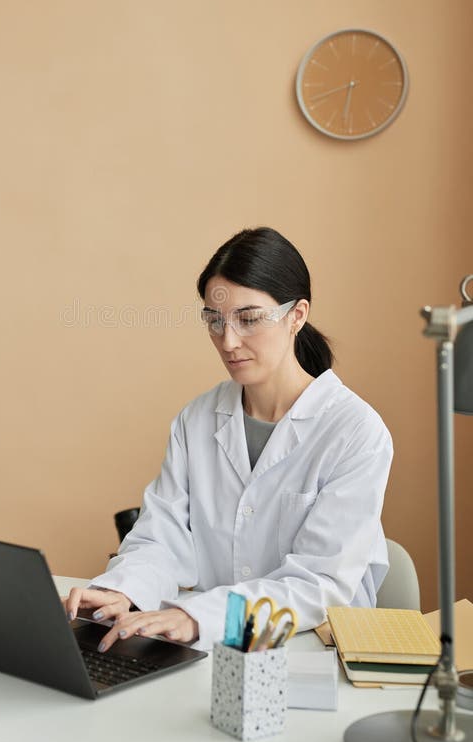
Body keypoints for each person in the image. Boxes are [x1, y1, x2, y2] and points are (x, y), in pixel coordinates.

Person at [65, 227, 393, 652]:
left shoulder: (355, 431)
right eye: (214, 321)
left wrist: (197, 616)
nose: (228, 341)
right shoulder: (197, 420)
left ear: (297, 316)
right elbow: (161, 537)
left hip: (308, 651)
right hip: (206, 649)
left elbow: (320, 582)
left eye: (250, 319)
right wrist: (122, 592)